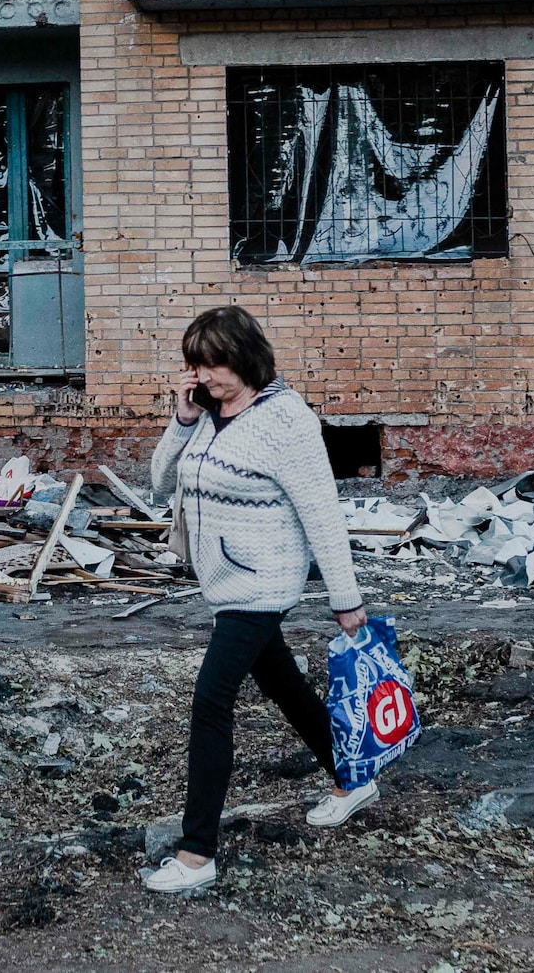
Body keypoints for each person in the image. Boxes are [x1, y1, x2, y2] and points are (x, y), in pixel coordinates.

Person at [140, 304, 373, 895]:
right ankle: (353, 778)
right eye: (197, 365)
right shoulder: (208, 414)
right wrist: (182, 418)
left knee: (212, 698)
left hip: (263, 582)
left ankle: (197, 855)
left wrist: (346, 599)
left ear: (246, 357)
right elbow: (161, 481)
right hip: (224, 581)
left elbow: (322, 513)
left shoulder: (286, 420)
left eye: (215, 364)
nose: (207, 377)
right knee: (283, 683)